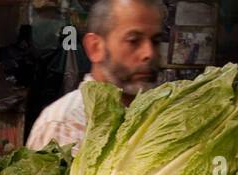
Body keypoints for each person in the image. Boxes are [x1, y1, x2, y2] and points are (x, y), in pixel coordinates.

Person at [26, 0, 164, 152]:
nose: (149, 53)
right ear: (95, 47)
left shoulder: (163, 118)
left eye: (156, 41)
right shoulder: (64, 124)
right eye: (133, 41)